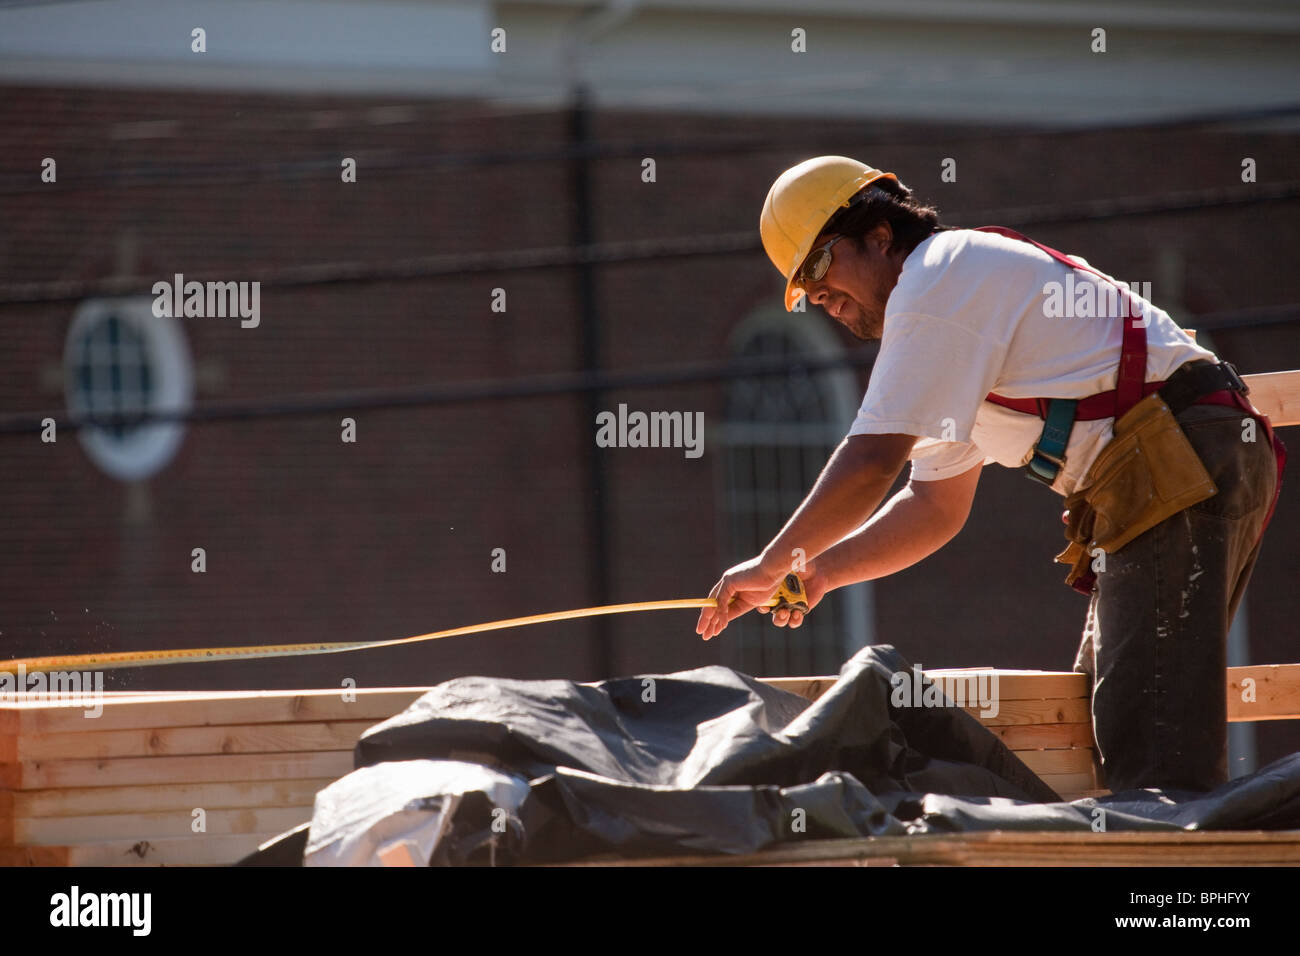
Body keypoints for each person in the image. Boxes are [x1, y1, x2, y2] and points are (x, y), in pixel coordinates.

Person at [696, 155, 1284, 793]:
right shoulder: (944, 316)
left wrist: (773, 560)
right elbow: (933, 505)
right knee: (1115, 720)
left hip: (1181, 457)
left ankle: (1187, 893)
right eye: (804, 289)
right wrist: (821, 571)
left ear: (879, 236)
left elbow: (871, 463)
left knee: (1155, 751)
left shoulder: (936, 283)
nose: (818, 297)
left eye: (817, 268)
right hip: (1176, 461)